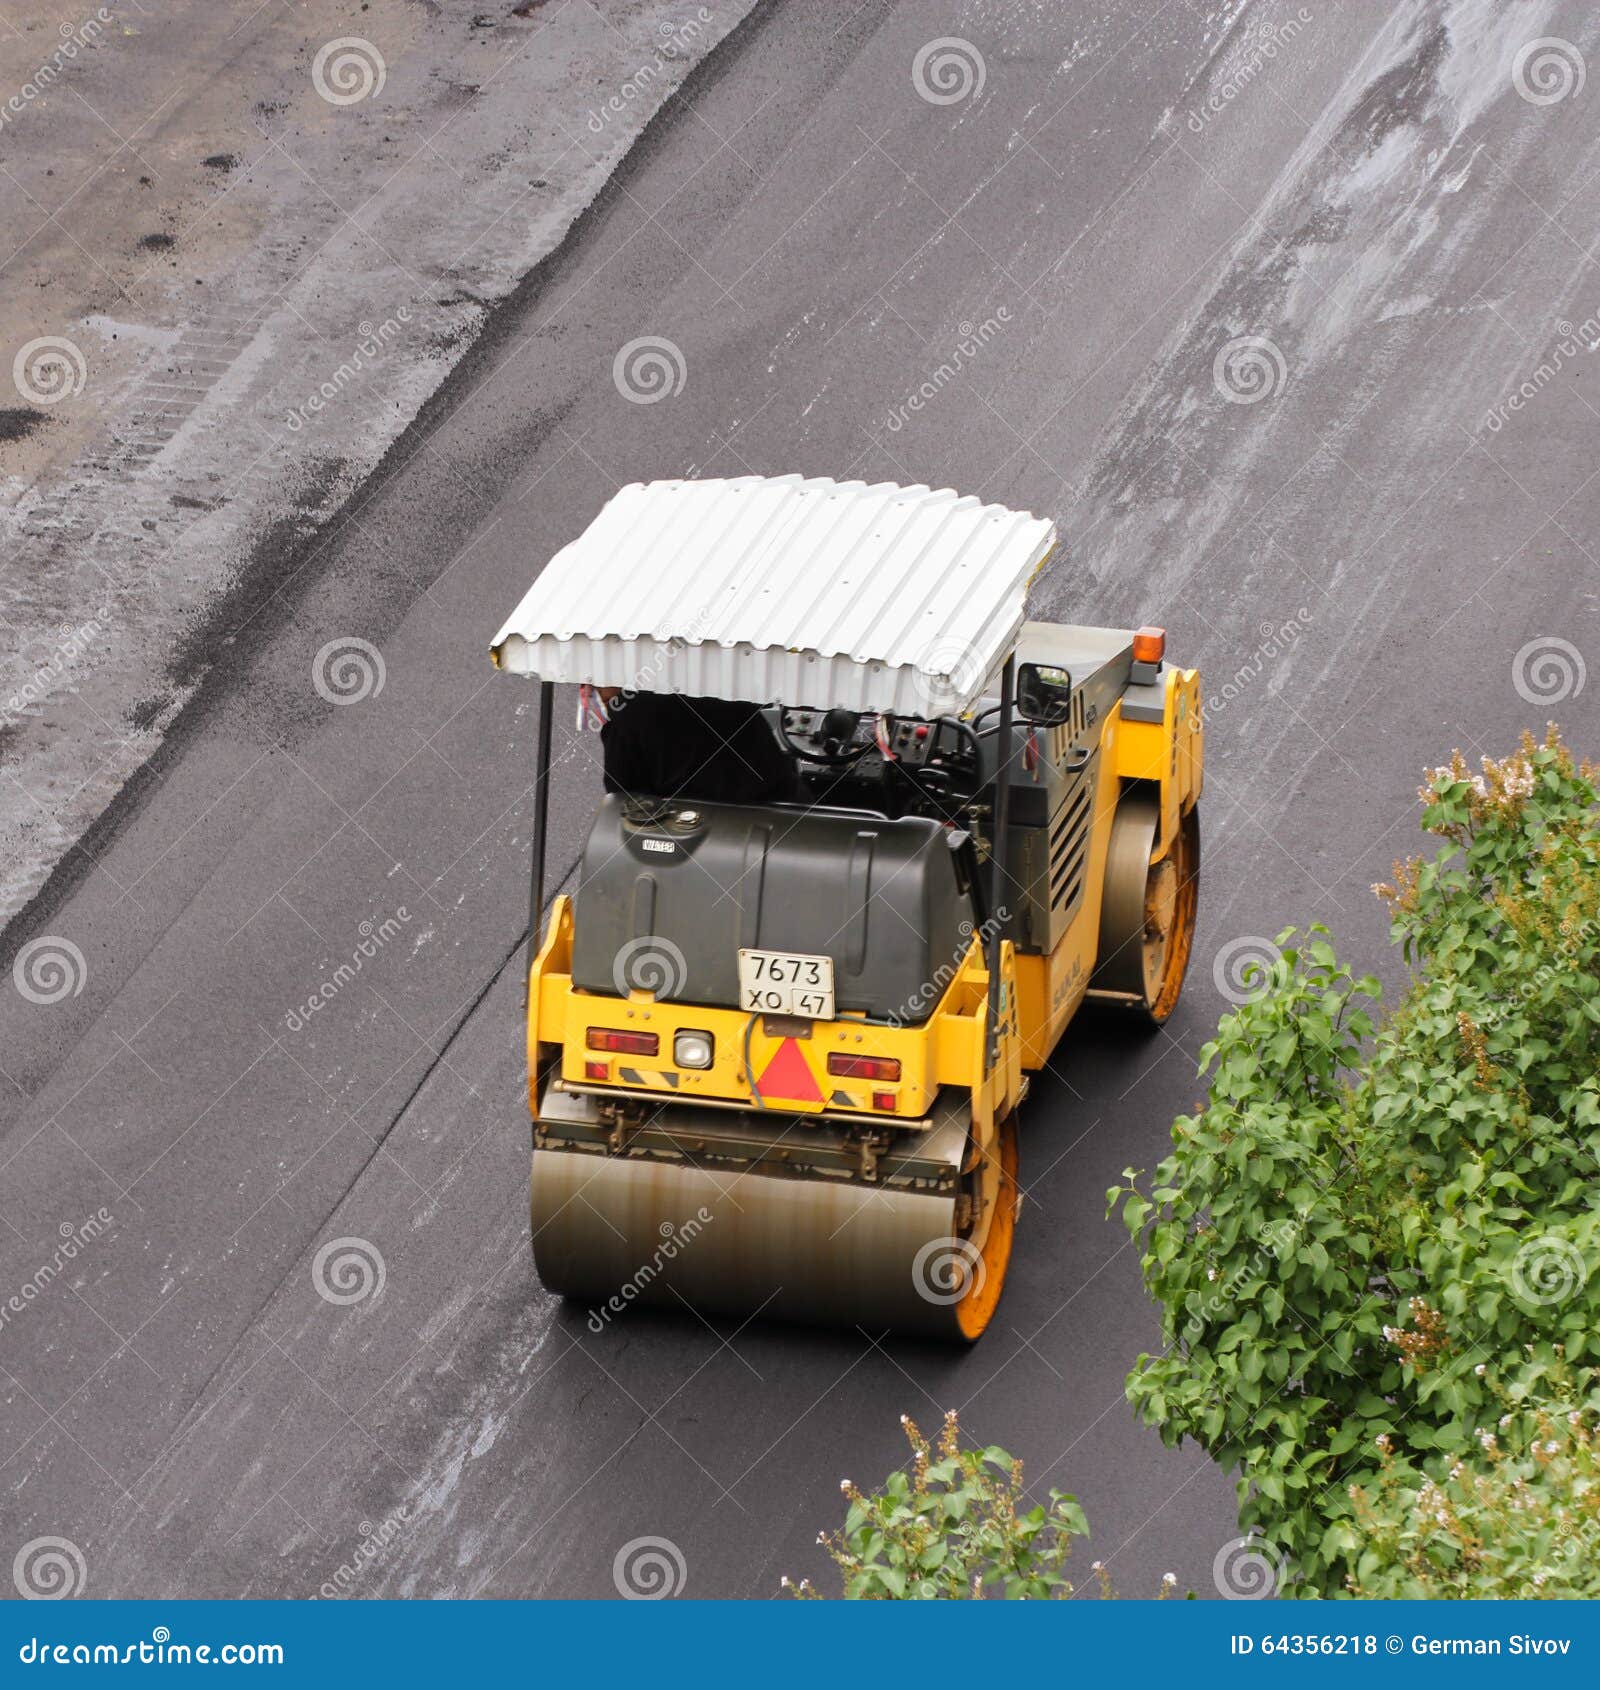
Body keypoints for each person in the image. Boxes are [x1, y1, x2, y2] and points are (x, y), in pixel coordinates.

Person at [598, 689, 801, 805]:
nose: (591, 691)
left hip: (693, 829)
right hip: (774, 806)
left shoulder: (627, 717)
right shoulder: (730, 684)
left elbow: (623, 798)